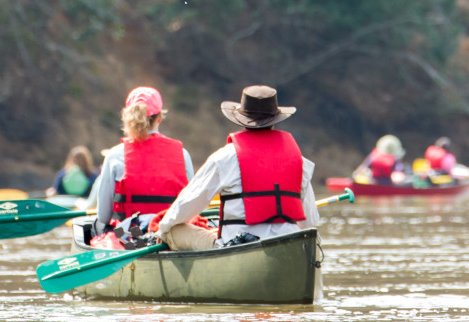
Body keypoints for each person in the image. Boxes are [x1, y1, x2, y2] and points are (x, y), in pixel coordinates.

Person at [150, 85, 319, 251]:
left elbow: (189, 203)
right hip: (288, 244)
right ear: (275, 121)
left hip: (239, 246)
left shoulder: (225, 158)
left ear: (242, 121)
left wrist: (163, 228)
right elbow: (310, 221)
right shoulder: (299, 161)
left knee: (173, 230)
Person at [90, 86, 196, 235]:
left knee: (97, 226)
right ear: (159, 118)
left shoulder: (114, 155)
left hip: (132, 238)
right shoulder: (183, 154)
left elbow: (103, 216)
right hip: (171, 236)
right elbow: (193, 208)